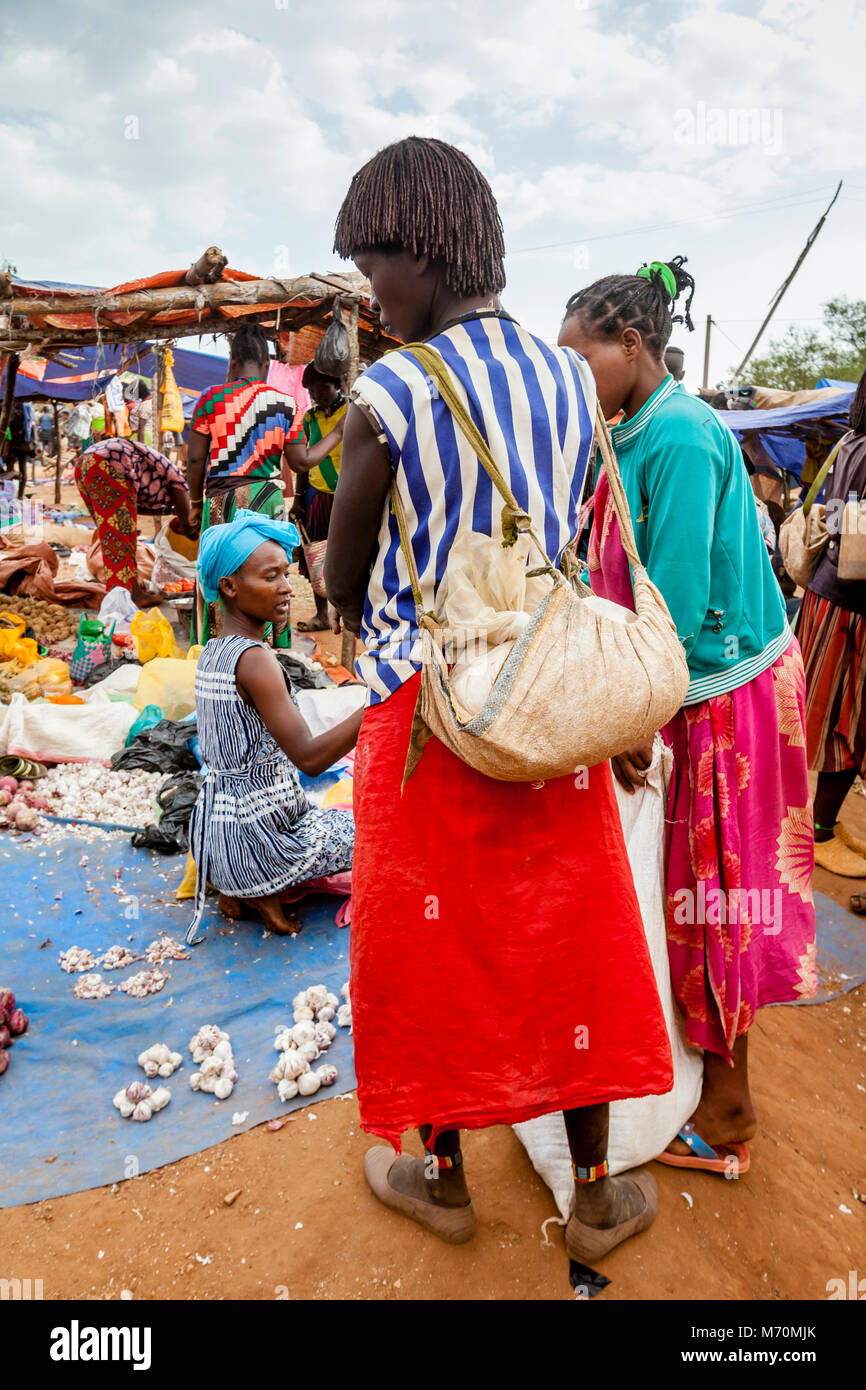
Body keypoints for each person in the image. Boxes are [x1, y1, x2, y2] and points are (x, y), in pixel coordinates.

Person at [326, 136, 673, 1259]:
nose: (371, 296)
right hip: (547, 705)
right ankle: (594, 1197)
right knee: (564, 943)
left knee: (427, 956)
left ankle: (440, 1179)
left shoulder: (388, 390)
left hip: (425, 719)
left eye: (375, 265)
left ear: (424, 252)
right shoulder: (573, 379)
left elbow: (340, 576)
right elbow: (569, 539)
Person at [560, 258, 817, 1177]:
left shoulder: (676, 437)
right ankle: (702, 1077)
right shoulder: (629, 427)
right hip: (690, 686)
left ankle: (732, 1106)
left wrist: (631, 726)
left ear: (632, 345)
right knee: (693, 890)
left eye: (580, 358)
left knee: (716, 895)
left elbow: (670, 601)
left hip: (720, 695)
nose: (571, 378)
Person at [187, 510, 359, 943]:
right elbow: (310, 759)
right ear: (228, 586)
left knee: (333, 818)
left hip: (214, 835)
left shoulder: (213, 651)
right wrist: (375, 708)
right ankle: (265, 890)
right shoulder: (256, 660)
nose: (286, 588)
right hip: (262, 840)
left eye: (286, 574)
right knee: (371, 831)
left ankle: (236, 886)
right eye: (271, 577)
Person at [187, 325, 299, 644]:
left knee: (223, 572)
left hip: (223, 501)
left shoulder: (211, 399)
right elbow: (301, 461)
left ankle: (218, 643)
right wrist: (338, 433)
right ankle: (269, 647)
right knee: (271, 575)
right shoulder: (286, 404)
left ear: (232, 362)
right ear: (266, 365)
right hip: (268, 500)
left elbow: (195, 461)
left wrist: (195, 504)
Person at [798, 367, 866, 875]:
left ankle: (805, 821)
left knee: (818, 718)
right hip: (852, 605)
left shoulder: (850, 445)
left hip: (829, 594)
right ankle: (817, 830)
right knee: (846, 723)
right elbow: (858, 549)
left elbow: (843, 523)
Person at [75, 433, 196, 604]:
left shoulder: (155, 480)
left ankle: (121, 590)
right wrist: (189, 529)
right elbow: (186, 518)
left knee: (111, 535)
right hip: (112, 463)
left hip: (86, 462)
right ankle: (130, 594)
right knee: (121, 537)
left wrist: (169, 513)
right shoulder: (179, 482)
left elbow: (130, 507)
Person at [285, 364, 347, 631]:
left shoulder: (352, 413)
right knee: (314, 555)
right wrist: (299, 498)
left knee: (350, 553)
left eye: (322, 389)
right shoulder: (309, 418)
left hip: (348, 494)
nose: (316, 395)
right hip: (316, 494)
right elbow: (303, 462)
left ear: (339, 385)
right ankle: (321, 614)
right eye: (312, 391)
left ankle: (353, 613)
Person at [128, 381, 154, 446]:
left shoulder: (146, 405)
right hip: (143, 436)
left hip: (142, 437)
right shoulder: (148, 402)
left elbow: (141, 427)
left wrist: (141, 447)